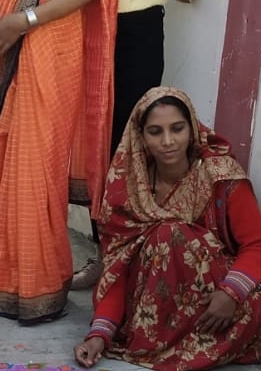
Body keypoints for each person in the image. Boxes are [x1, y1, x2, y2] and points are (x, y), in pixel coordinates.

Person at [74, 86, 261, 371]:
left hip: (220, 296)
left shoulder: (220, 175)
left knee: (170, 234)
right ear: (141, 138)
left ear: (192, 130)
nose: (168, 141)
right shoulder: (129, 190)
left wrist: (230, 293)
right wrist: (99, 334)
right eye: (155, 132)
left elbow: (259, 245)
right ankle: (175, 342)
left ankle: (183, 340)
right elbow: (117, 268)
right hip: (160, 303)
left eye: (177, 129)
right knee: (166, 236)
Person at [0, 0, 116, 324]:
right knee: (4, 158)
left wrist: (26, 19)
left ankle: (39, 283)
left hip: (53, 40)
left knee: (36, 163)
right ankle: (4, 278)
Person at [72, 0, 193, 290]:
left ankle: (132, 260)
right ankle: (104, 254)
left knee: (131, 143)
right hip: (88, 18)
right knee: (97, 145)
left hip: (139, 21)